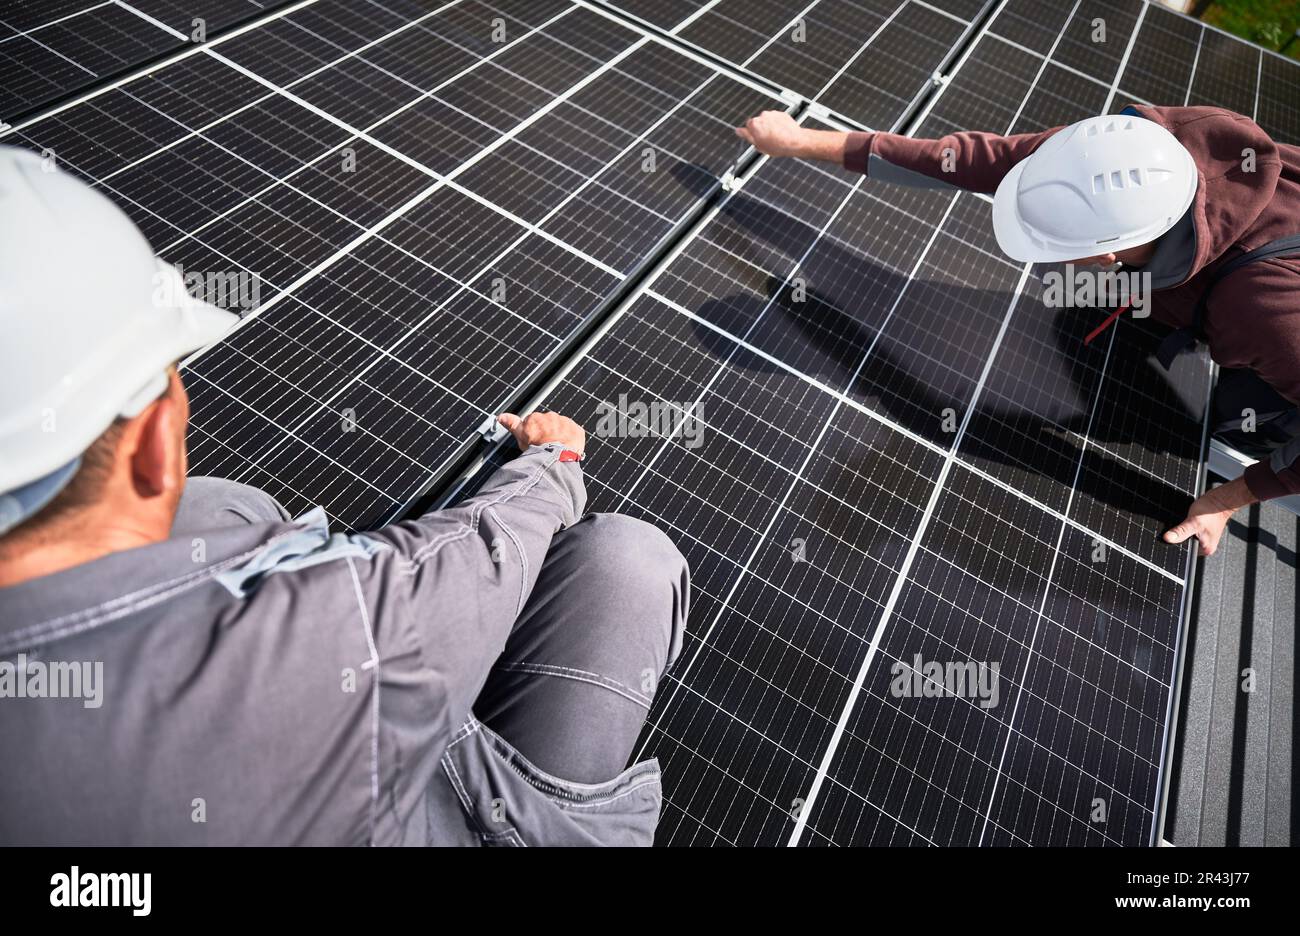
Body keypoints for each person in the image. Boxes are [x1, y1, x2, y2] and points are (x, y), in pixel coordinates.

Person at [0, 146, 688, 845]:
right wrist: (553, 460)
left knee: (211, 514)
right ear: (152, 443)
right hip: (438, 801)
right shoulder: (336, 624)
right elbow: (481, 556)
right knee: (626, 560)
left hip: (318, 759)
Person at [736, 104, 1300, 557]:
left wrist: (1231, 495)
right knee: (1077, 326)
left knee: (1217, 421)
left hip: (1274, 352)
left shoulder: (1266, 316)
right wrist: (797, 141)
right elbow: (972, 159)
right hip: (1217, 285)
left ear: (1106, 256)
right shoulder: (1119, 153)